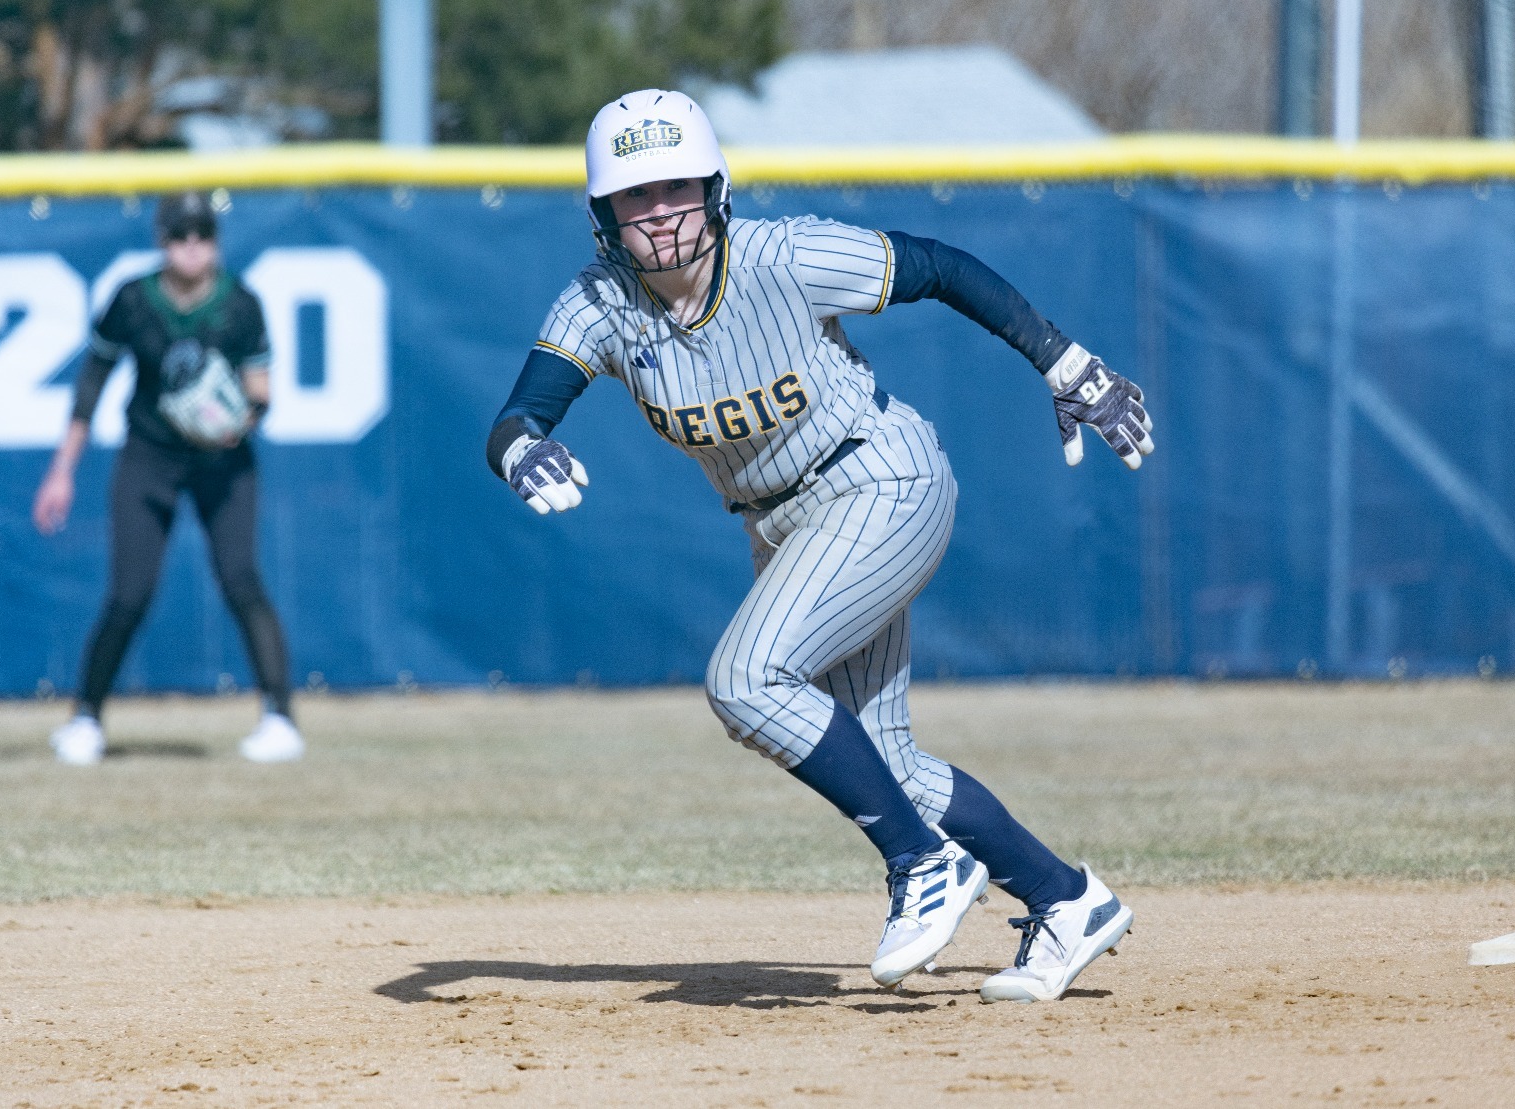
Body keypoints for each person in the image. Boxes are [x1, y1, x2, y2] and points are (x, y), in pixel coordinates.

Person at [486, 91, 1156, 1002]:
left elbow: (938, 267)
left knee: (744, 679)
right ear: (604, 214)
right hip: (783, 524)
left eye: (678, 188)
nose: (662, 213)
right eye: (636, 196)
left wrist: (1063, 360)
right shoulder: (600, 304)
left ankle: (922, 864)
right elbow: (520, 412)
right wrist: (520, 447)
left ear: (716, 190)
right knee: (888, 764)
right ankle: (1066, 900)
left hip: (881, 479)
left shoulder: (784, 256)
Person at [33, 191, 301, 767]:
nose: (192, 246)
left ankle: (280, 718)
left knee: (241, 578)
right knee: (129, 592)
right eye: (180, 235)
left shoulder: (240, 304)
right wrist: (61, 471)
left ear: (216, 241)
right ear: (162, 240)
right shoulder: (134, 299)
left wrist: (237, 423)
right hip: (149, 454)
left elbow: (261, 390)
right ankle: (85, 720)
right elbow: (91, 384)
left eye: (203, 234)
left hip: (222, 461)